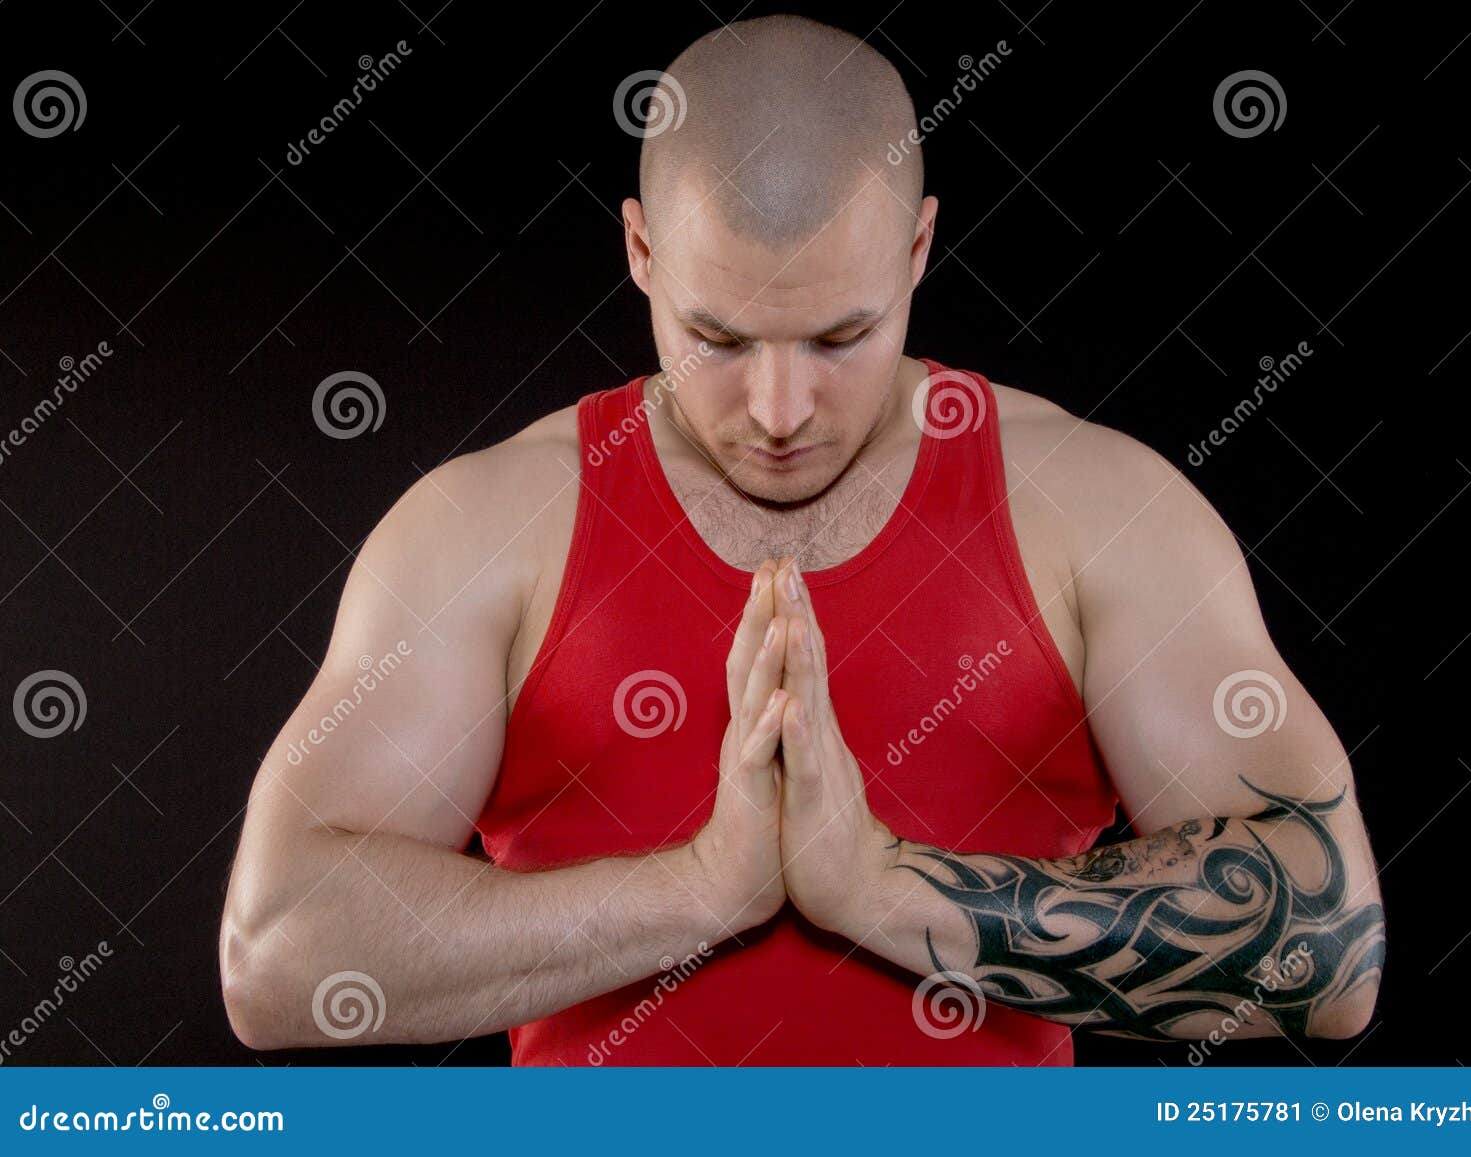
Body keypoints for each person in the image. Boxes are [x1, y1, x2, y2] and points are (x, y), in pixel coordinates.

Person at [219, 14, 1384, 1065]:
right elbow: (275, 957)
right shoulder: (486, 526)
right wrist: (697, 890)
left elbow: (1331, 944)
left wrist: (879, 886)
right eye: (717, 337)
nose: (779, 410)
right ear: (638, 253)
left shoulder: (1098, 507)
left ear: (919, 250)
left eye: (841, 336)